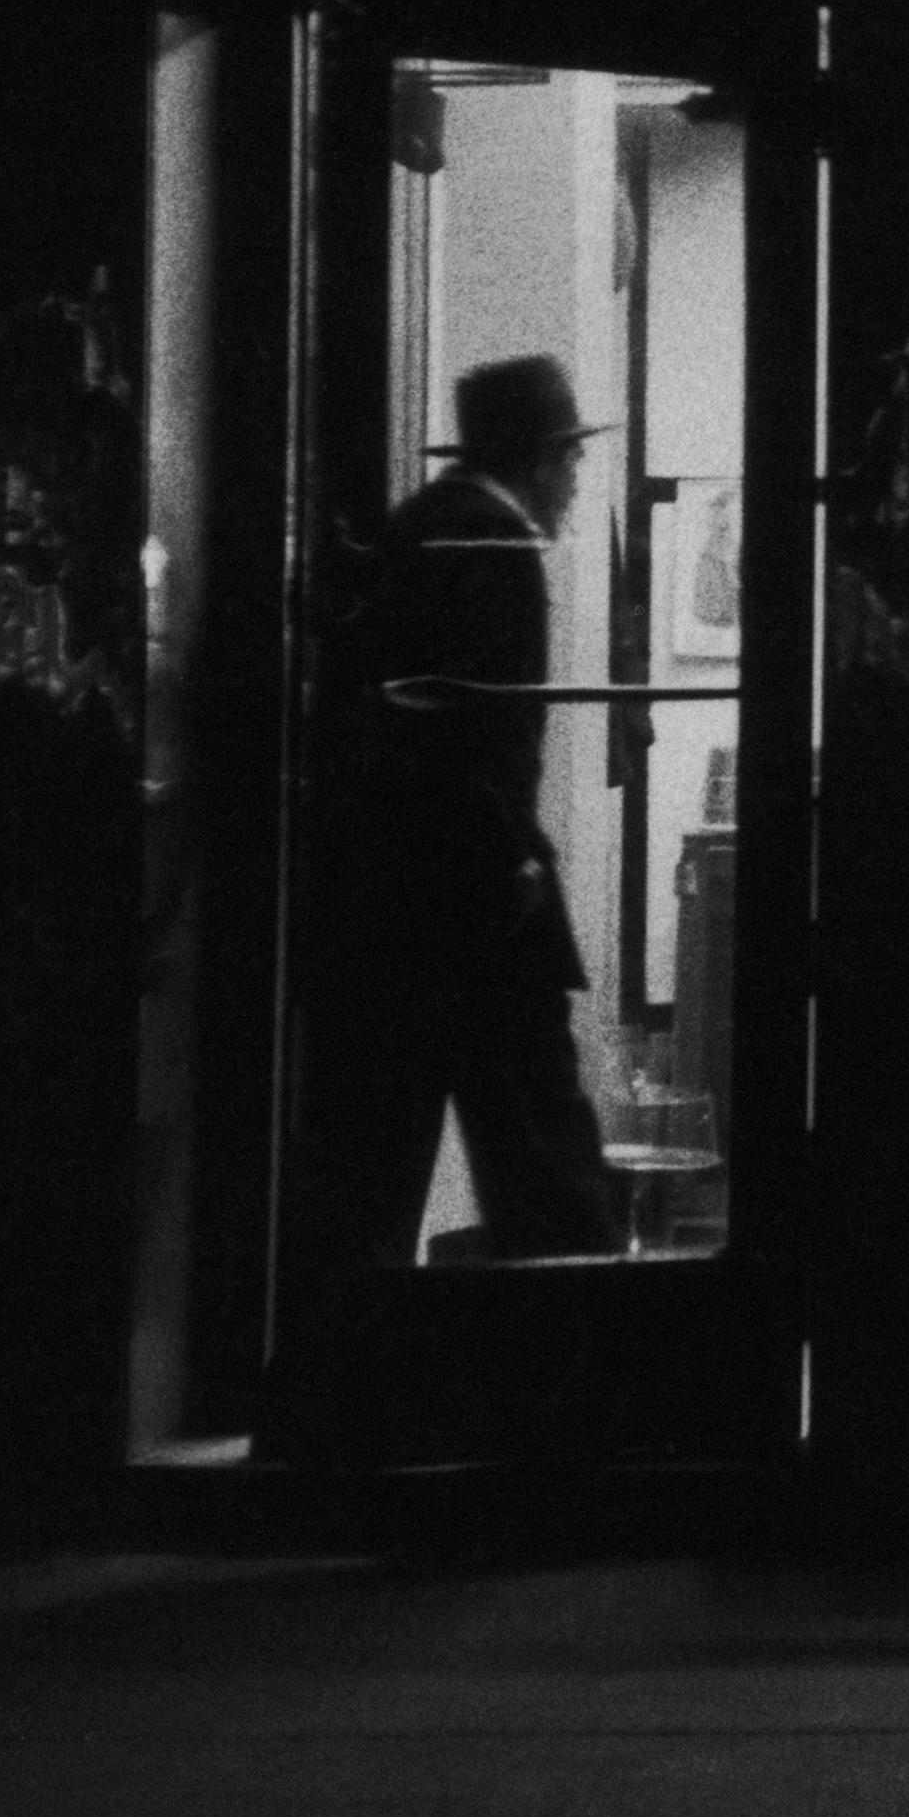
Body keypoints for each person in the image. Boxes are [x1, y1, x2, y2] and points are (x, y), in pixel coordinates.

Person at [298, 353, 626, 1272]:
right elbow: (476, 730)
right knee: (545, 1156)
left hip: (390, 905)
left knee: (374, 1165)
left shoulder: (420, 526)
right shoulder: (498, 544)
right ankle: (596, 1369)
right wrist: (510, 861)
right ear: (542, 461)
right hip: (479, 906)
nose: (573, 484)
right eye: (571, 461)